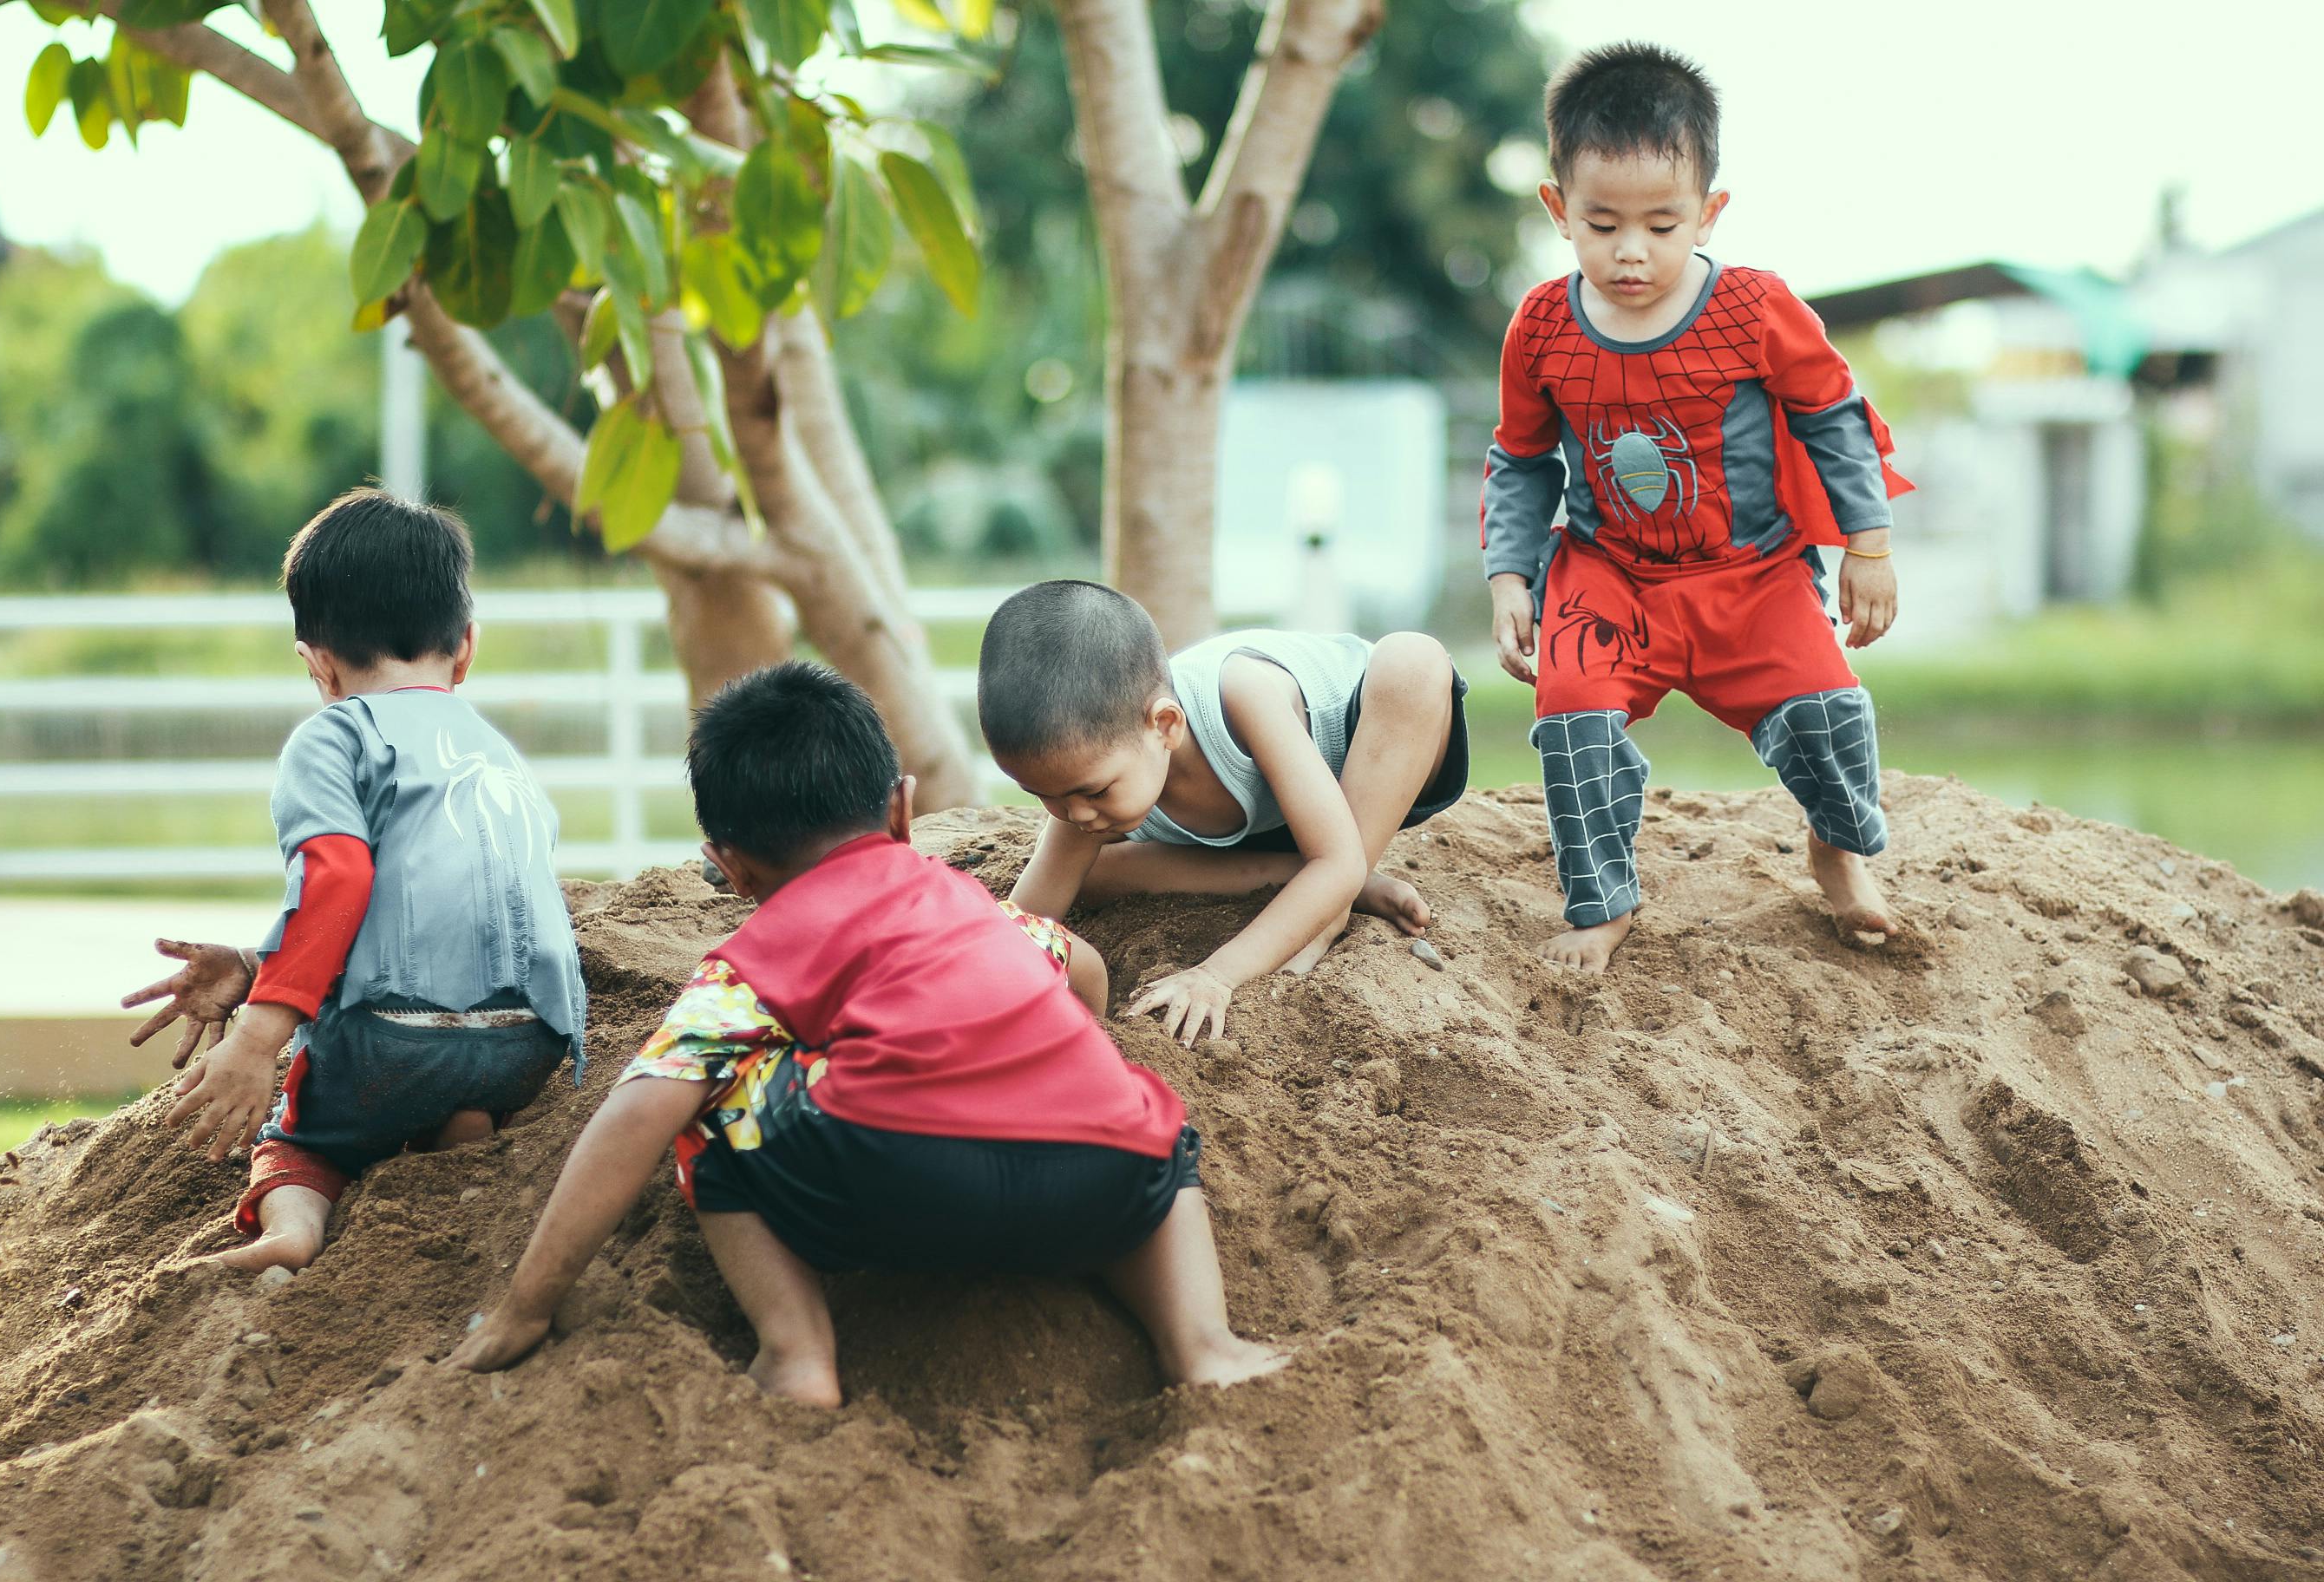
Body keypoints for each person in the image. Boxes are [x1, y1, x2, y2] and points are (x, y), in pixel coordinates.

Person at [449, 663, 1281, 1405]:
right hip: (1106, 1179)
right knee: (1161, 1134)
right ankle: (1202, 1342)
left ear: (729, 864)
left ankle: (797, 1354)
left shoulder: (746, 964)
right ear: (902, 808)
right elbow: (1083, 964)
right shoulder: (976, 908)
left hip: (901, 1183)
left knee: (707, 1105)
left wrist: (525, 1308)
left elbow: (635, 1115)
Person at [1482, 42, 1915, 973]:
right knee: (1571, 714)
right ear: (1559, 209)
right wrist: (1510, 575)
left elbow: (1835, 415)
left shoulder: (1756, 308)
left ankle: (1837, 857)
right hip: (1610, 574)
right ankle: (1603, 900)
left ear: (1709, 212)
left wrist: (1868, 545)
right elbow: (1519, 459)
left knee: (1832, 715)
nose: (1630, 250)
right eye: (1601, 224)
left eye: (1661, 224)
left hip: (1752, 574)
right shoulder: (1542, 326)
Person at [121, 488, 584, 1271]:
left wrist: (261, 1035)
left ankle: (292, 1229)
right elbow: (432, 901)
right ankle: (461, 1126)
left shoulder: (334, 735)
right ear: (466, 648)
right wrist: (255, 966)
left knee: (299, 1133)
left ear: (318, 664)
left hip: (391, 1044)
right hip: (530, 1047)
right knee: (445, 1078)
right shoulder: (497, 751)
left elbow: (339, 879)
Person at [979, 581, 1470, 1047]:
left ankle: (1328, 908)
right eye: (1043, 795)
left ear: (1164, 726)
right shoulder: (1087, 779)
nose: (1074, 815)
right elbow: (1030, 917)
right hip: (1276, 838)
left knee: (1413, 658)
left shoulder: (1237, 694)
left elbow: (1335, 858)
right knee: (1087, 875)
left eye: (1094, 792)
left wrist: (1216, 974)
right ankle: (1325, 878)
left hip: (1368, 774)